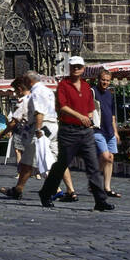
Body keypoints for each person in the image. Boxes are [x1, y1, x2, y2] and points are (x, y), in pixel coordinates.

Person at [39, 57, 114, 211]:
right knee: (61, 165)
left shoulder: (86, 87)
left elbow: (90, 108)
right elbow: (62, 106)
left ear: (83, 68)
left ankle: (100, 200)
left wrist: (90, 117)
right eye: (73, 66)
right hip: (69, 131)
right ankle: (45, 193)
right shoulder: (63, 85)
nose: (76, 69)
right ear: (69, 67)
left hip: (85, 132)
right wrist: (80, 116)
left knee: (93, 166)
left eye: (79, 66)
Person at [0, 70, 78, 200]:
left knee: (41, 160)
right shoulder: (48, 90)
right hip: (53, 125)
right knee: (40, 161)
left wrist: (37, 129)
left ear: (30, 81)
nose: (24, 84)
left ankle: (54, 190)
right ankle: (70, 191)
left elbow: (39, 112)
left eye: (25, 81)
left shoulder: (36, 92)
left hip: (41, 127)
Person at [93, 68, 121, 198]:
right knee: (104, 156)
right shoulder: (92, 92)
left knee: (110, 158)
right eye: (103, 80)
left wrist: (115, 131)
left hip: (109, 130)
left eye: (108, 80)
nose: (105, 82)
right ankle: (94, 180)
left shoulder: (110, 94)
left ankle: (107, 187)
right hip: (97, 129)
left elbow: (113, 115)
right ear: (98, 79)